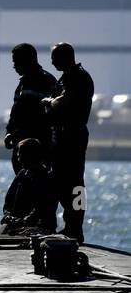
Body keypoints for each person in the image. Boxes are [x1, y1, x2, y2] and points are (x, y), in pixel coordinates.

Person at [43, 43, 94, 242]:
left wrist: (47, 102)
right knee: (59, 182)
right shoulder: (67, 77)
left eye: (55, 57)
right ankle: (69, 224)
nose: (52, 62)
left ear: (65, 57)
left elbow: (62, 102)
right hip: (61, 136)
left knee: (75, 184)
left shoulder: (78, 77)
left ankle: (75, 226)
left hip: (73, 136)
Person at [3, 43, 58, 173]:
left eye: (16, 61)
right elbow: (16, 113)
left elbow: (43, 115)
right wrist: (9, 132)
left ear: (26, 60)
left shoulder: (46, 81)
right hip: (21, 141)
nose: (14, 65)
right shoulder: (22, 84)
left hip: (39, 144)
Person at [0, 137, 58, 235]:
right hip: (17, 224)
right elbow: (8, 201)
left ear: (31, 156)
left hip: (39, 227)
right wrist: (8, 215)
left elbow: (42, 208)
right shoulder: (22, 174)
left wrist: (24, 220)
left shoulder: (47, 177)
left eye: (21, 155)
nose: (18, 159)